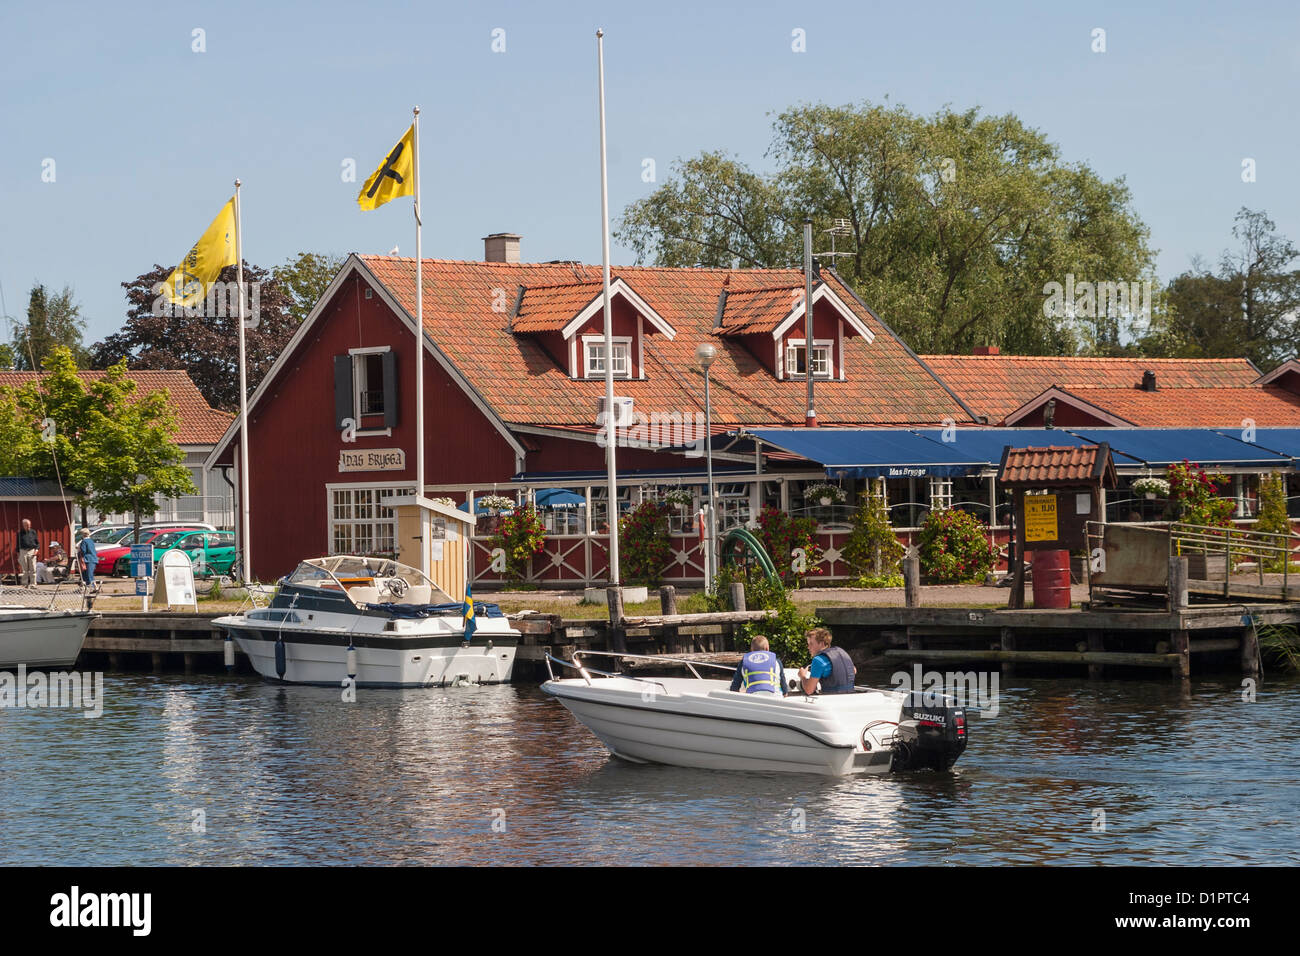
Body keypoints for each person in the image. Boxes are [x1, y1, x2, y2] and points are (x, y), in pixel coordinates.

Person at [798, 627, 856, 695]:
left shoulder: (818, 660)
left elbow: (809, 690)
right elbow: (854, 670)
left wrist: (802, 676)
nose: (808, 647)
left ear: (821, 643)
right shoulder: (842, 652)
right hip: (850, 697)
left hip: (831, 700)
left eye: (811, 643)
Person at [17, 518, 39, 587]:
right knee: (24, 569)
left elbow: (37, 543)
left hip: (32, 550)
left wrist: (36, 550)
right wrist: (18, 554)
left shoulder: (33, 532)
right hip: (23, 551)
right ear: (23, 525)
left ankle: (33, 584)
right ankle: (24, 584)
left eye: (29, 525)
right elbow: (17, 544)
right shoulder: (20, 533)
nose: (29, 526)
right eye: (27, 525)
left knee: (33, 568)